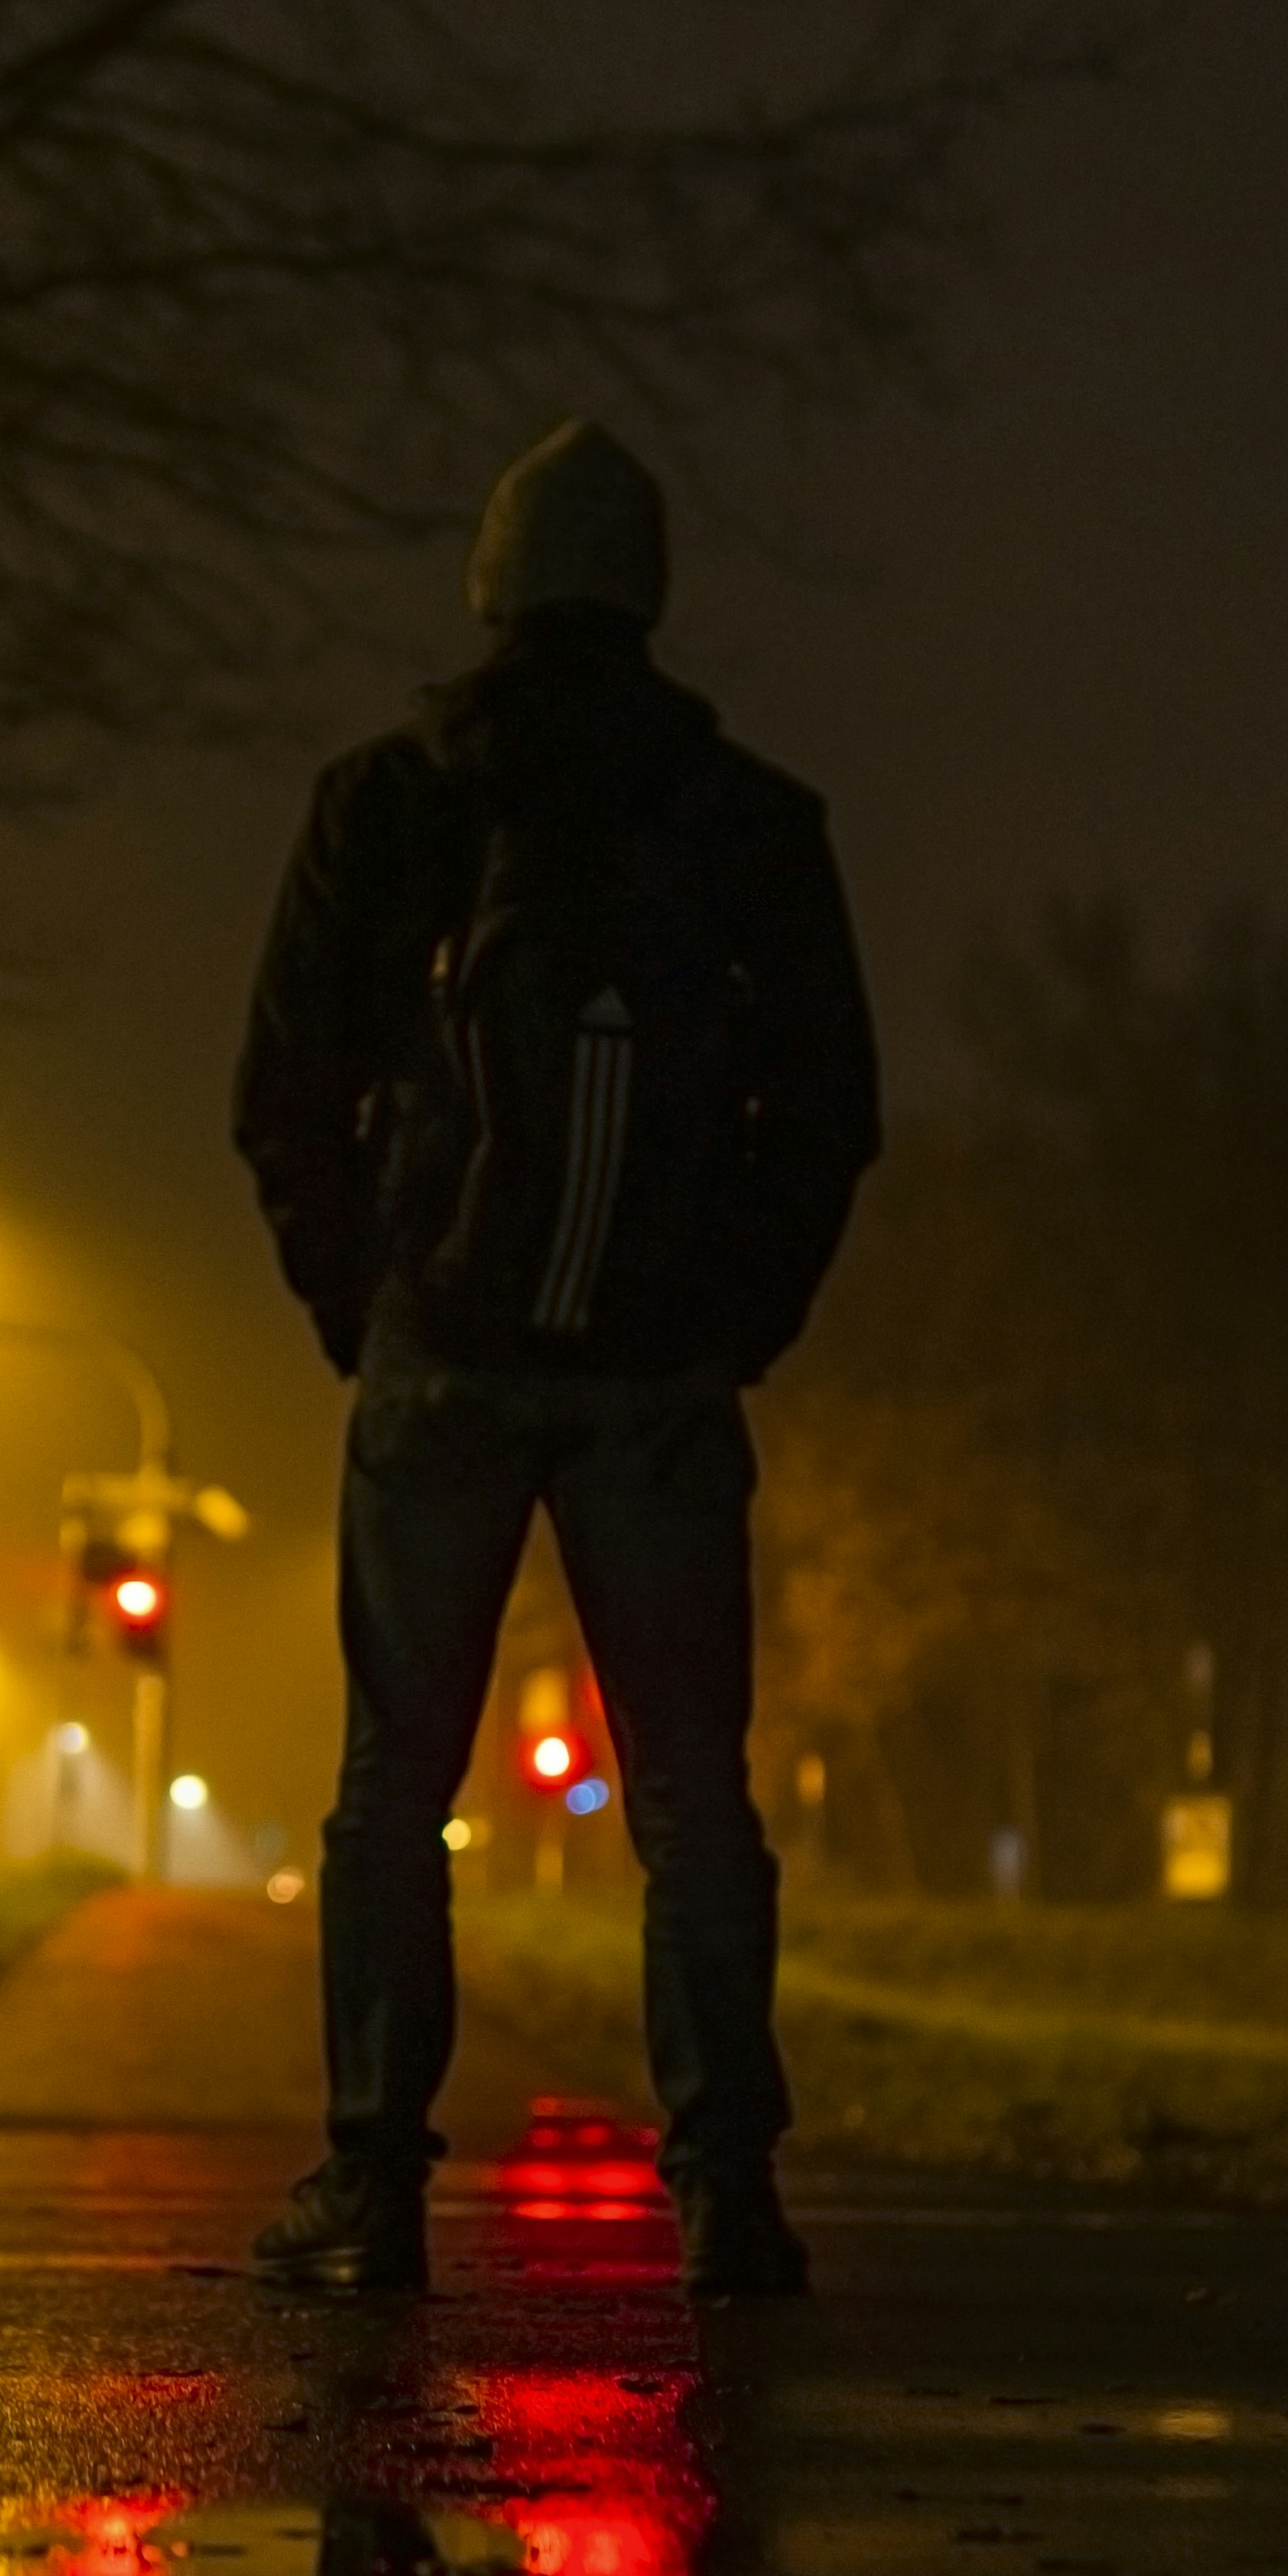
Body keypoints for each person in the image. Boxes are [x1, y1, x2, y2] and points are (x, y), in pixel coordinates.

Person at [231, 419, 880, 2300]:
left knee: (388, 1786)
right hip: (660, 1383)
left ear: (492, 586)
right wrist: (731, 1320)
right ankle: (724, 2192)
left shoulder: (388, 798)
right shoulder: (755, 822)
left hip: (440, 1358)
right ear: (650, 592)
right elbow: (826, 1112)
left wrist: (364, 1302)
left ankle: (368, 2186)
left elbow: (281, 1088)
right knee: (690, 1797)